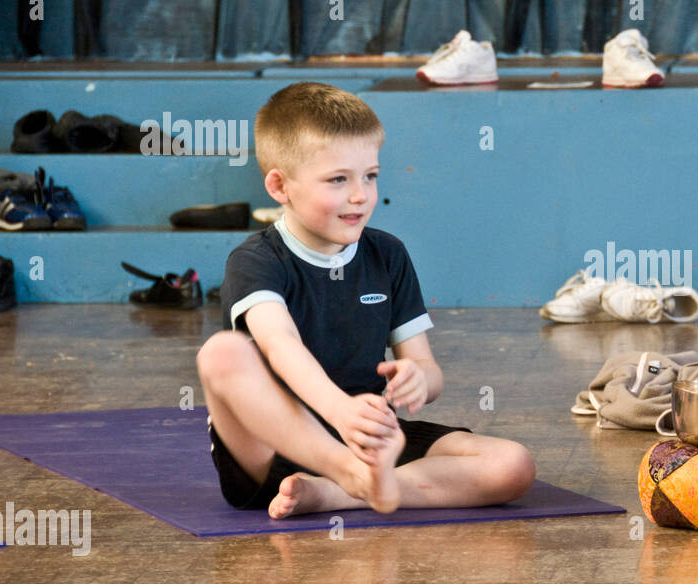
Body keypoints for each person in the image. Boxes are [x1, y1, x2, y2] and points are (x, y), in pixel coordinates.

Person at [197, 82, 535, 519]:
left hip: (366, 440)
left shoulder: (387, 254)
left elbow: (429, 371)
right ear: (280, 186)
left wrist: (418, 379)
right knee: (222, 353)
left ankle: (336, 493)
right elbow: (281, 346)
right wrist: (340, 411)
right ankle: (347, 473)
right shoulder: (256, 260)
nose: (361, 195)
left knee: (512, 465)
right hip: (270, 446)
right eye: (338, 179)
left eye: (370, 176)